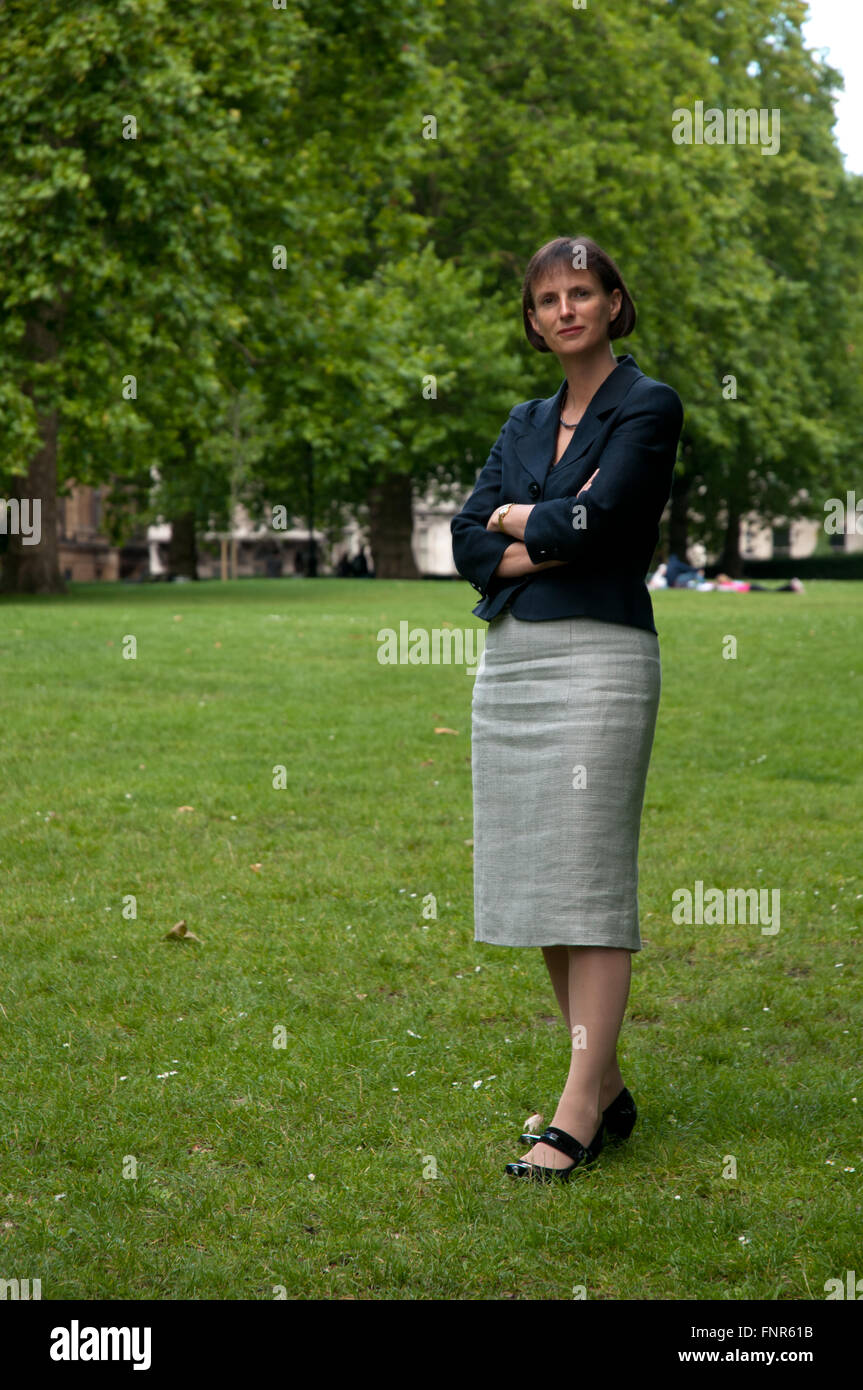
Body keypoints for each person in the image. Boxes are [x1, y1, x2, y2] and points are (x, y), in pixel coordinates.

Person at [450, 235, 684, 1181]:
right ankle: (609, 1084)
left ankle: (577, 1111)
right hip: (512, 664)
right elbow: (466, 542)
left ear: (615, 303)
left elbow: (612, 520)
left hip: (601, 657)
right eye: (546, 299)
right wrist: (532, 526)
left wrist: (527, 521)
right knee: (543, 876)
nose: (564, 311)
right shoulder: (521, 420)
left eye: (581, 293)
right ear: (533, 319)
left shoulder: (647, 404)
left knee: (586, 878)